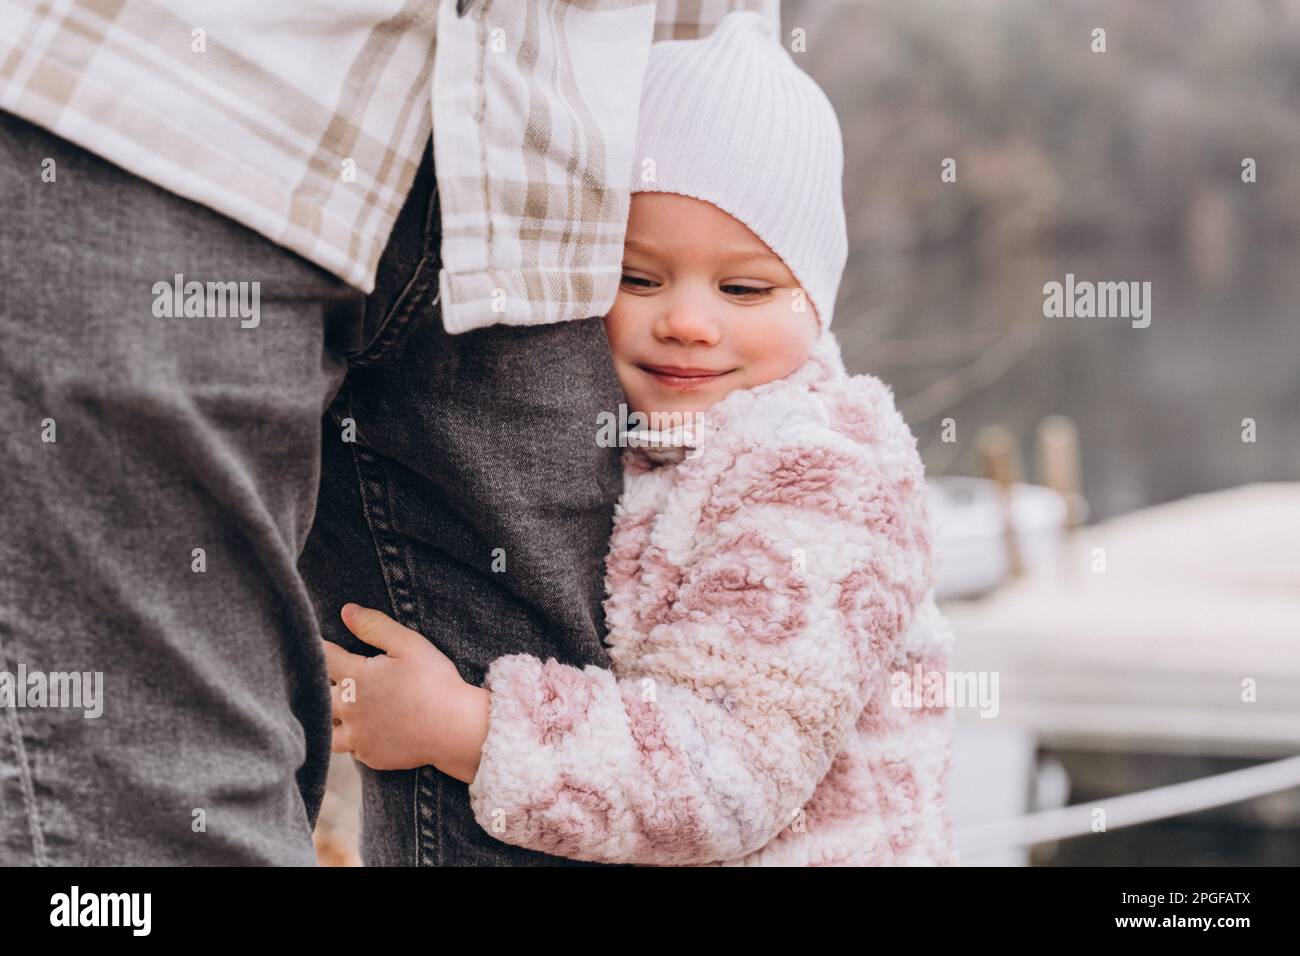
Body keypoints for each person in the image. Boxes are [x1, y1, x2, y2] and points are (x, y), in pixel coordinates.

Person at [0, 0, 778, 866]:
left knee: (549, 819)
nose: (699, 324)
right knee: (164, 783)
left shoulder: (797, 461)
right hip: (185, 106)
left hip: (552, 173)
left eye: (746, 292)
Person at [325, 12, 960, 866]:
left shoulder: (822, 481)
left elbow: (729, 777)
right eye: (638, 276)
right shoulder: (671, 436)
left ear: (818, 297)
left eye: (744, 287)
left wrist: (466, 728)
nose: (689, 322)